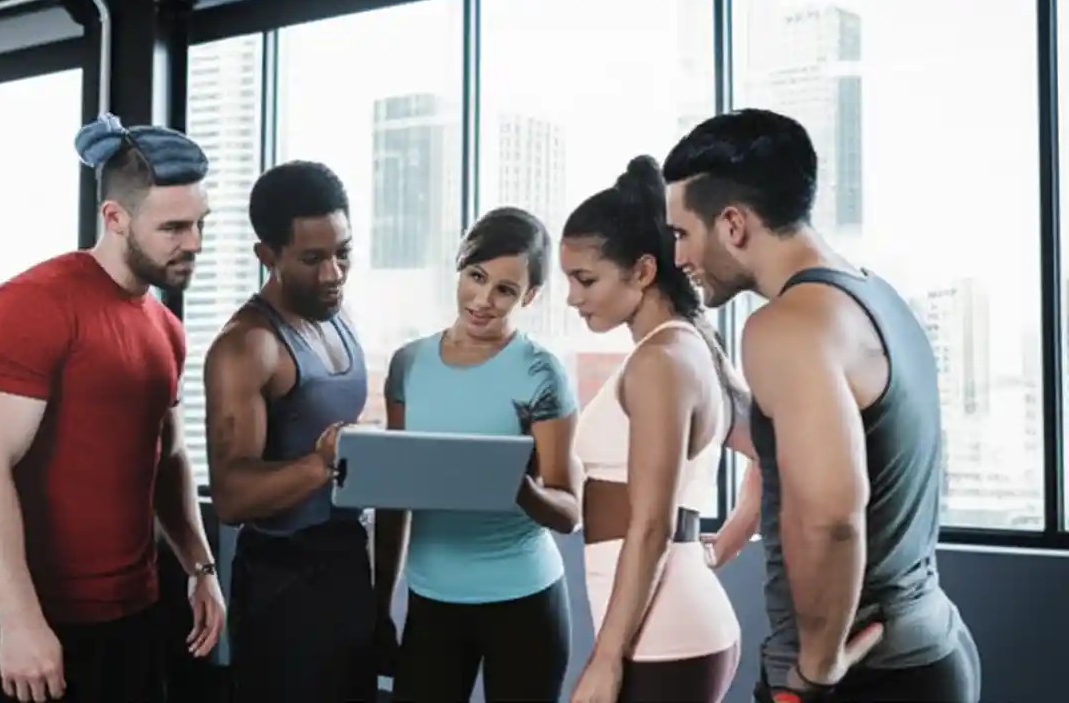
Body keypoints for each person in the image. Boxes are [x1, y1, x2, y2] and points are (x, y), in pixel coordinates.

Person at [662, 108, 982, 703]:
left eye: (681, 233)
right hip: (930, 643)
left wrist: (815, 669)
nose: (677, 256)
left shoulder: (785, 327)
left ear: (732, 223)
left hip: (861, 675)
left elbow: (831, 517)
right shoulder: (870, 295)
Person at [0, 112, 225, 703]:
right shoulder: (32, 305)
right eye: (174, 227)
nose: (194, 243)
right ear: (115, 218)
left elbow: (170, 457)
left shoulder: (166, 328)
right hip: (32, 619)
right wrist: (22, 623)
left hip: (132, 616)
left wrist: (201, 569)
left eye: (201, 223)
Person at [559, 155, 754, 703]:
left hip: (665, 638)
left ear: (643, 271)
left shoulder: (662, 361)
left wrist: (604, 660)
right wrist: (727, 541)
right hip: (671, 628)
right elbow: (773, 448)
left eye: (584, 279)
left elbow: (651, 526)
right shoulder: (684, 346)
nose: (572, 296)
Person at [374, 207, 583, 703]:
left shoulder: (541, 374)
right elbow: (394, 498)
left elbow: (570, 512)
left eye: (505, 290)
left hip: (525, 602)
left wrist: (519, 488)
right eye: (476, 277)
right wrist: (380, 604)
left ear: (529, 296)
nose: (483, 300)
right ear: (461, 269)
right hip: (431, 602)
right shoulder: (408, 365)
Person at [203, 161, 373, 703]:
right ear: (268, 256)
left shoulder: (337, 317)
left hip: (348, 560)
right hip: (283, 579)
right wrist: (322, 464)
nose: (334, 274)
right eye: (312, 259)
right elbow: (231, 496)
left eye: (342, 252)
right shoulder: (248, 346)